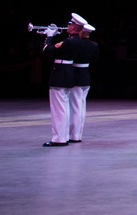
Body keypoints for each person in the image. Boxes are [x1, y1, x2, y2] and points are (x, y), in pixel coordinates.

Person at [42, 13, 87, 147]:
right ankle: (64, 136)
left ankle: (59, 138)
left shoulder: (69, 41)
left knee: (58, 109)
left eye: (70, 24)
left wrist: (49, 37)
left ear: (74, 27)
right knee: (65, 108)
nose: (67, 26)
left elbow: (48, 52)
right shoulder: (78, 41)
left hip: (60, 74)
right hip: (69, 74)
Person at [69, 23, 99, 143]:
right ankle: (77, 134)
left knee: (75, 107)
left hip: (76, 75)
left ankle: (74, 135)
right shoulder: (94, 45)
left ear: (81, 32)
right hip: (86, 75)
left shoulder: (78, 44)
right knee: (81, 107)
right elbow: (94, 60)